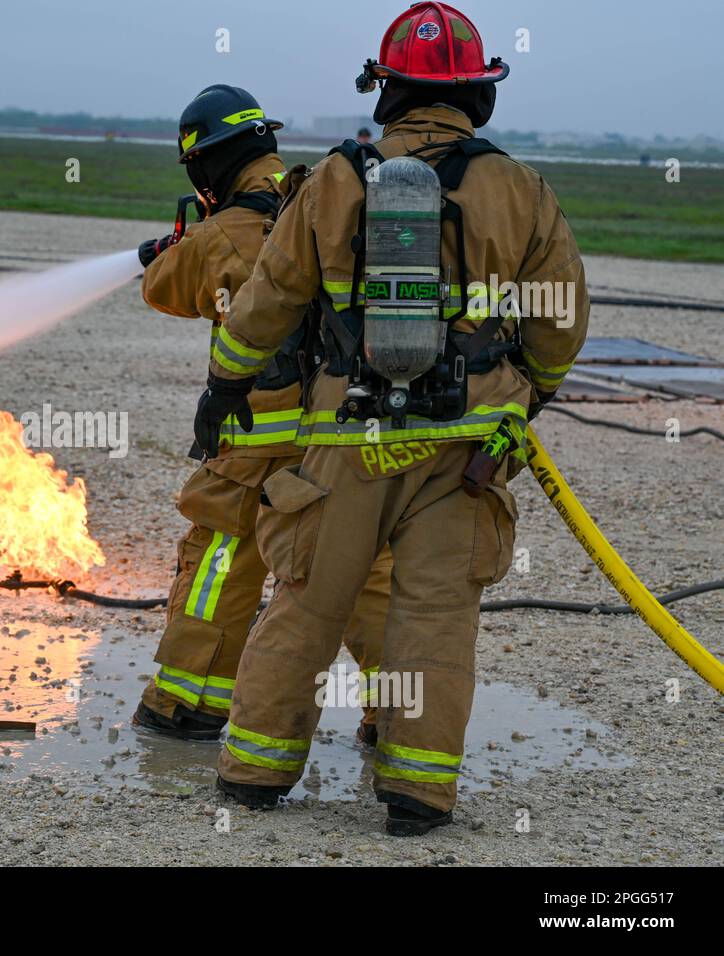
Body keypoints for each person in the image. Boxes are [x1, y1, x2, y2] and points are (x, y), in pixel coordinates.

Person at [193, 2, 589, 834]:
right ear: (478, 94)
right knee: (437, 618)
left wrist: (223, 387)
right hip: (466, 448)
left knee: (304, 600)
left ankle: (255, 779)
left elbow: (269, 302)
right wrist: (524, 400)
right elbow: (561, 326)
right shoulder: (522, 190)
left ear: (389, 89)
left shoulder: (335, 177)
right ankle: (417, 794)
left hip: (349, 435)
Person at [134, 84, 392, 744]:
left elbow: (164, 289)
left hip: (258, 442)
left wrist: (169, 253)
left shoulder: (221, 234)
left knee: (222, 559)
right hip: (350, 434)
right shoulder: (324, 206)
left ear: (207, 166)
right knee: (368, 570)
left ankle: (187, 703)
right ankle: (400, 715)